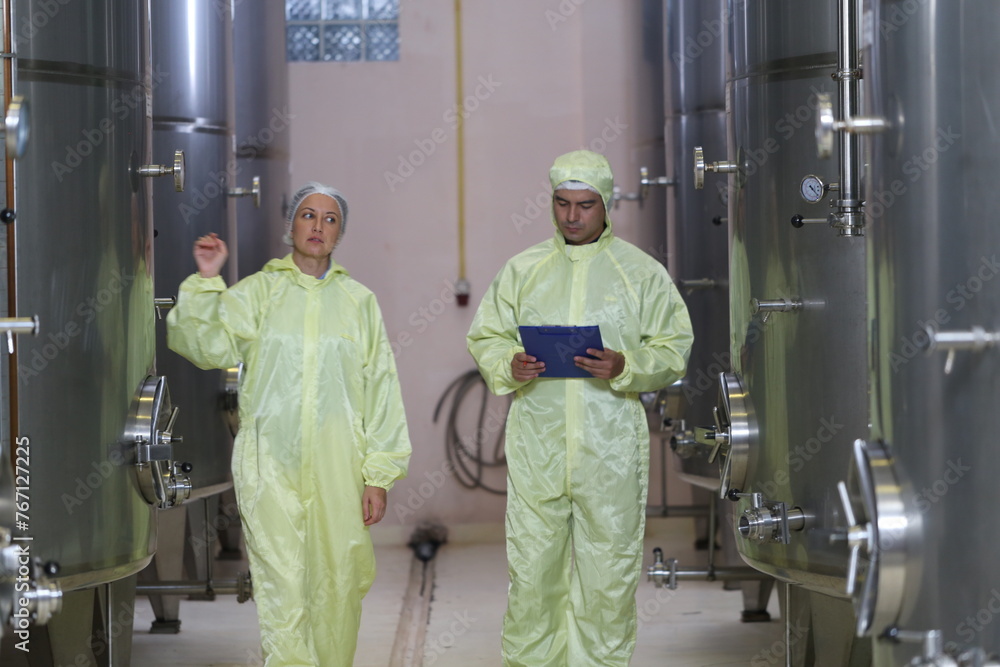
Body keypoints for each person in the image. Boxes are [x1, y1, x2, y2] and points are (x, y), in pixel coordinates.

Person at [166, 182, 411, 666]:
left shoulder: (359, 302)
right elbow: (204, 345)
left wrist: (379, 476)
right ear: (290, 226)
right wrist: (207, 279)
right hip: (270, 467)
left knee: (339, 584)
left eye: (330, 218)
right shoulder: (261, 291)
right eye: (307, 215)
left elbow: (381, 389)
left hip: (340, 470)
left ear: (340, 232)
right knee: (281, 588)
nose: (318, 226)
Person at [467, 150, 693, 666]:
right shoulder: (523, 270)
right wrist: (510, 364)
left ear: (606, 205)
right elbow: (486, 335)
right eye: (562, 203)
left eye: (585, 205)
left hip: (609, 451)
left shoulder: (640, 273)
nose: (572, 216)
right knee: (531, 576)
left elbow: (674, 344)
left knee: (607, 581)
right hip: (538, 448)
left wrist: (625, 365)